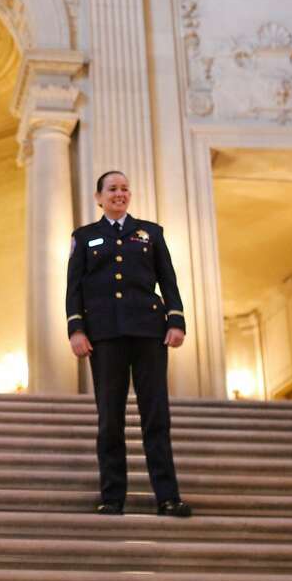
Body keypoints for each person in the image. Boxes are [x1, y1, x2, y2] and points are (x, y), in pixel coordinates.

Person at [65, 171, 191, 518]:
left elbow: (168, 279)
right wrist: (76, 329)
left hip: (149, 332)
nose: (119, 194)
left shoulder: (151, 232)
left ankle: (167, 497)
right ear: (99, 197)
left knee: (156, 417)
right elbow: (73, 287)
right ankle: (112, 497)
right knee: (110, 419)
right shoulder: (84, 237)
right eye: (112, 189)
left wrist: (175, 320)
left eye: (124, 188)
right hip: (104, 335)